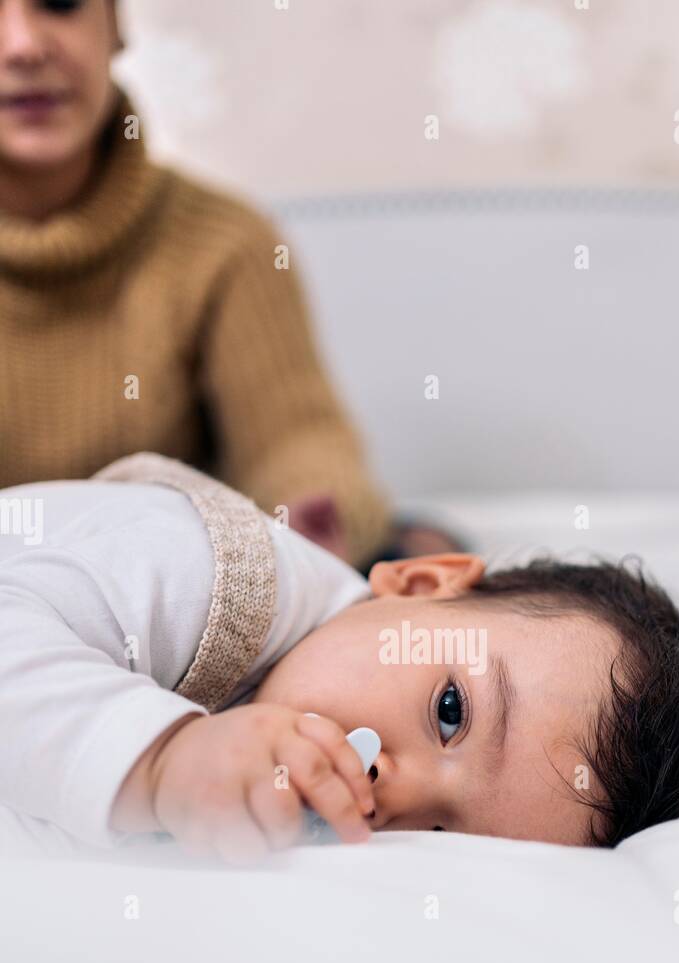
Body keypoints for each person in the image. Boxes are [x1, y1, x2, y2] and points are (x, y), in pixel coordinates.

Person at [0, 455, 679, 859]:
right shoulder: (213, 575)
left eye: (443, 833)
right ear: (420, 581)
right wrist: (163, 760)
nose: (392, 791)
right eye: (451, 711)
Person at [0, 0, 398, 568]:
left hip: (168, 615)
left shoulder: (226, 244)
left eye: (61, 4)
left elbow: (295, 442)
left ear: (114, 25)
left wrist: (310, 520)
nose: (24, 46)